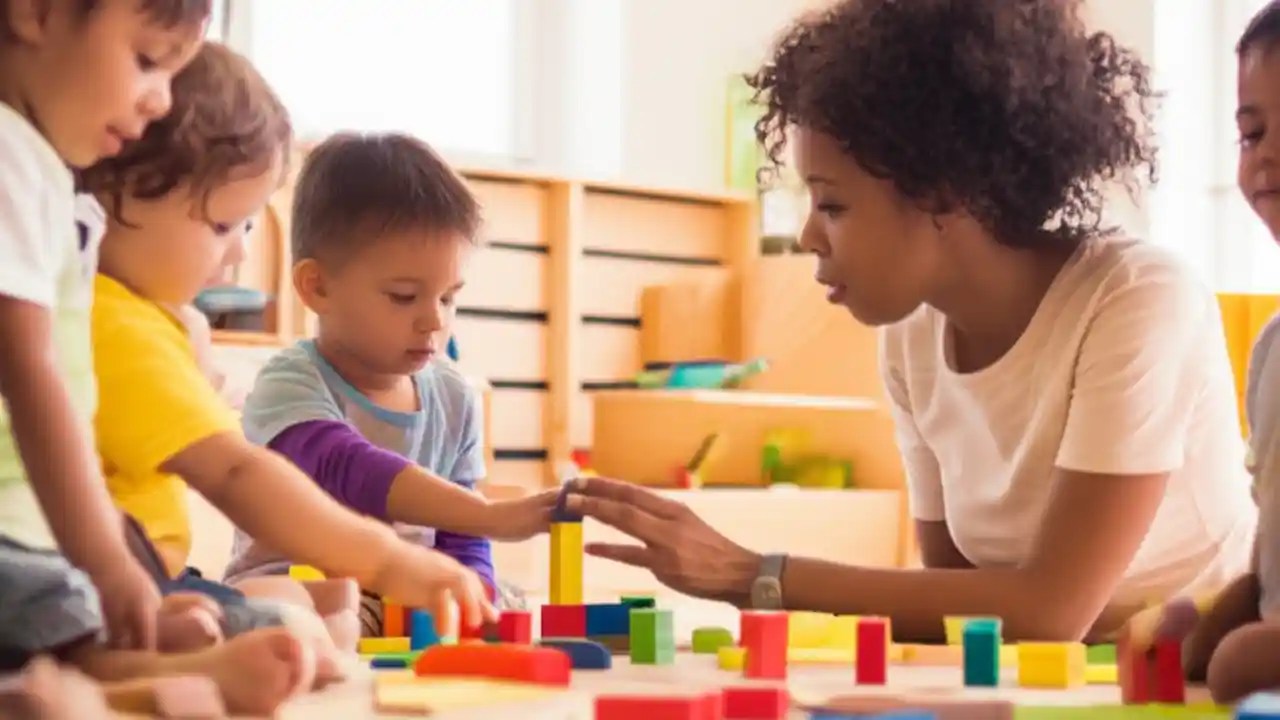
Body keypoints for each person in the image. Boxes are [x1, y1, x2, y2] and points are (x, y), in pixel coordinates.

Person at [564, 0, 1258, 644]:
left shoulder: (1137, 299)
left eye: (832, 205)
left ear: (944, 194)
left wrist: (753, 574)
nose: (807, 236)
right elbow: (949, 604)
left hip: (1201, 667)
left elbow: (1050, 611)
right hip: (1052, 679)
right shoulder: (911, 337)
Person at [78, 43, 498, 645]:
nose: (241, 251)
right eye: (223, 225)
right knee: (273, 624)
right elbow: (237, 473)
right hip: (109, 586)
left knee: (303, 619)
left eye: (248, 225)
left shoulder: (133, 320)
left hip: (149, 573)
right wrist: (389, 561)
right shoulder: (118, 327)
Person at [221, 132, 556, 635]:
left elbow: (462, 537)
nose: (434, 321)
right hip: (307, 583)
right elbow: (348, 468)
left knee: (504, 599)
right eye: (403, 297)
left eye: (448, 298)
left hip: (411, 597)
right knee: (274, 606)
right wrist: (489, 515)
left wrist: (475, 588)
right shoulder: (288, 385)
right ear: (318, 287)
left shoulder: (455, 396)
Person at [0, 0, 208, 657]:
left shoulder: (36, 167)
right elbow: (29, 372)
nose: (162, 102)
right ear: (35, 12)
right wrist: (105, 565)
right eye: (147, 60)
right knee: (63, 604)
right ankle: (111, 667)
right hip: (14, 540)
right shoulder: (10, 157)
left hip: (32, 536)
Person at [1126, 1, 1280, 703]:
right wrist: (1230, 610)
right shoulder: (1272, 348)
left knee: (1236, 663)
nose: (1266, 155)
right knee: (1190, 643)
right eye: (1252, 133)